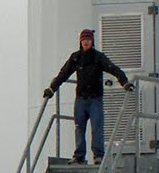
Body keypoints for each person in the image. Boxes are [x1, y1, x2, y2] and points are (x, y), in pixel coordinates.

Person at [43, 28, 134, 164]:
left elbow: (113, 68)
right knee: (79, 127)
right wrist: (52, 88)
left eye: (89, 40)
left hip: (95, 99)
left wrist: (124, 82)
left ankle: (98, 155)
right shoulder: (76, 57)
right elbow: (63, 74)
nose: (86, 42)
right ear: (80, 42)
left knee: (97, 127)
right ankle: (79, 156)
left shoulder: (98, 57)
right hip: (80, 99)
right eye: (84, 40)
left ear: (92, 41)